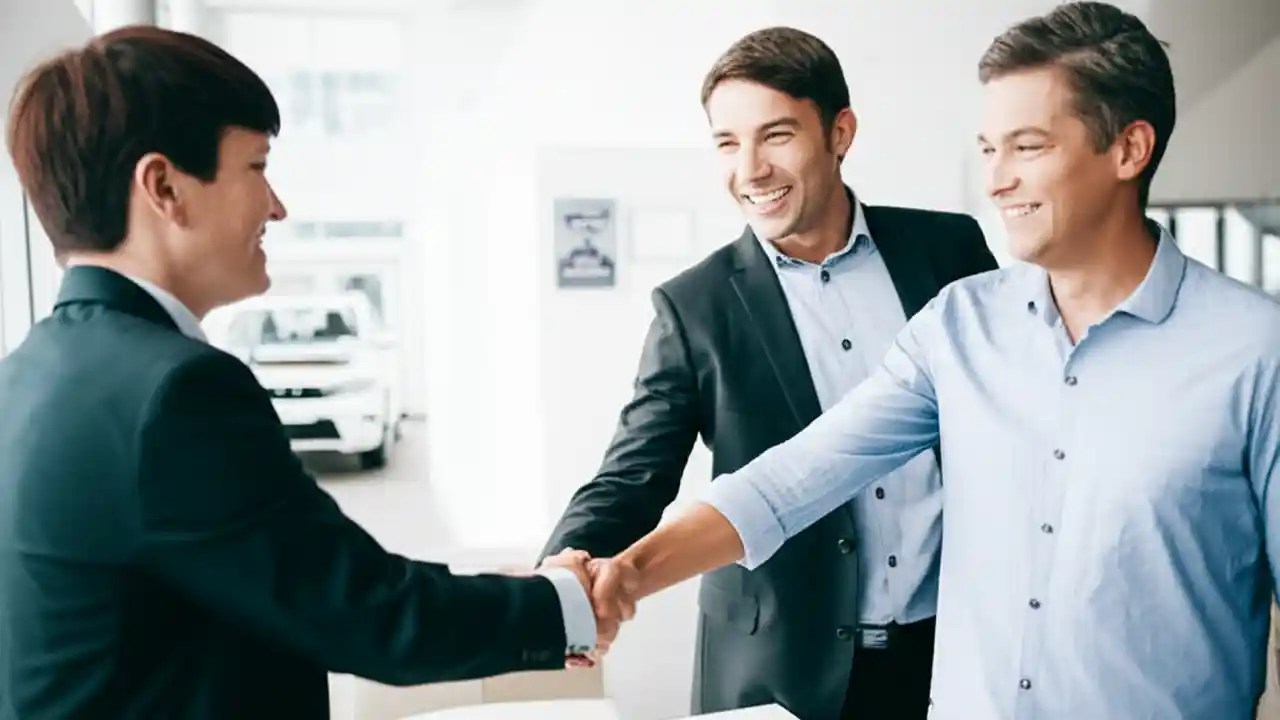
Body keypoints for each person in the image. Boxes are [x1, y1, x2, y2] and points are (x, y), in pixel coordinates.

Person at [584, 3, 1280, 719]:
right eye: (987, 150)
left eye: (1028, 147)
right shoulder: (958, 325)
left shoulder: (1257, 353)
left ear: (1129, 150)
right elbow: (789, 482)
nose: (997, 181)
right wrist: (625, 574)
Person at [0, 26, 614, 719]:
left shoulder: (28, 375)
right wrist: (559, 604)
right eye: (257, 166)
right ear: (165, 186)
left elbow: (264, 579)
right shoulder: (176, 392)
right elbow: (364, 612)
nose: (278, 205)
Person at [541, 26, 995, 720]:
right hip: (781, 665)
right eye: (727, 143)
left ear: (839, 132)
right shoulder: (696, 306)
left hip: (952, 652)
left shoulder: (948, 250)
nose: (749, 169)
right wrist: (566, 573)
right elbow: (634, 473)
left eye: (775, 135)